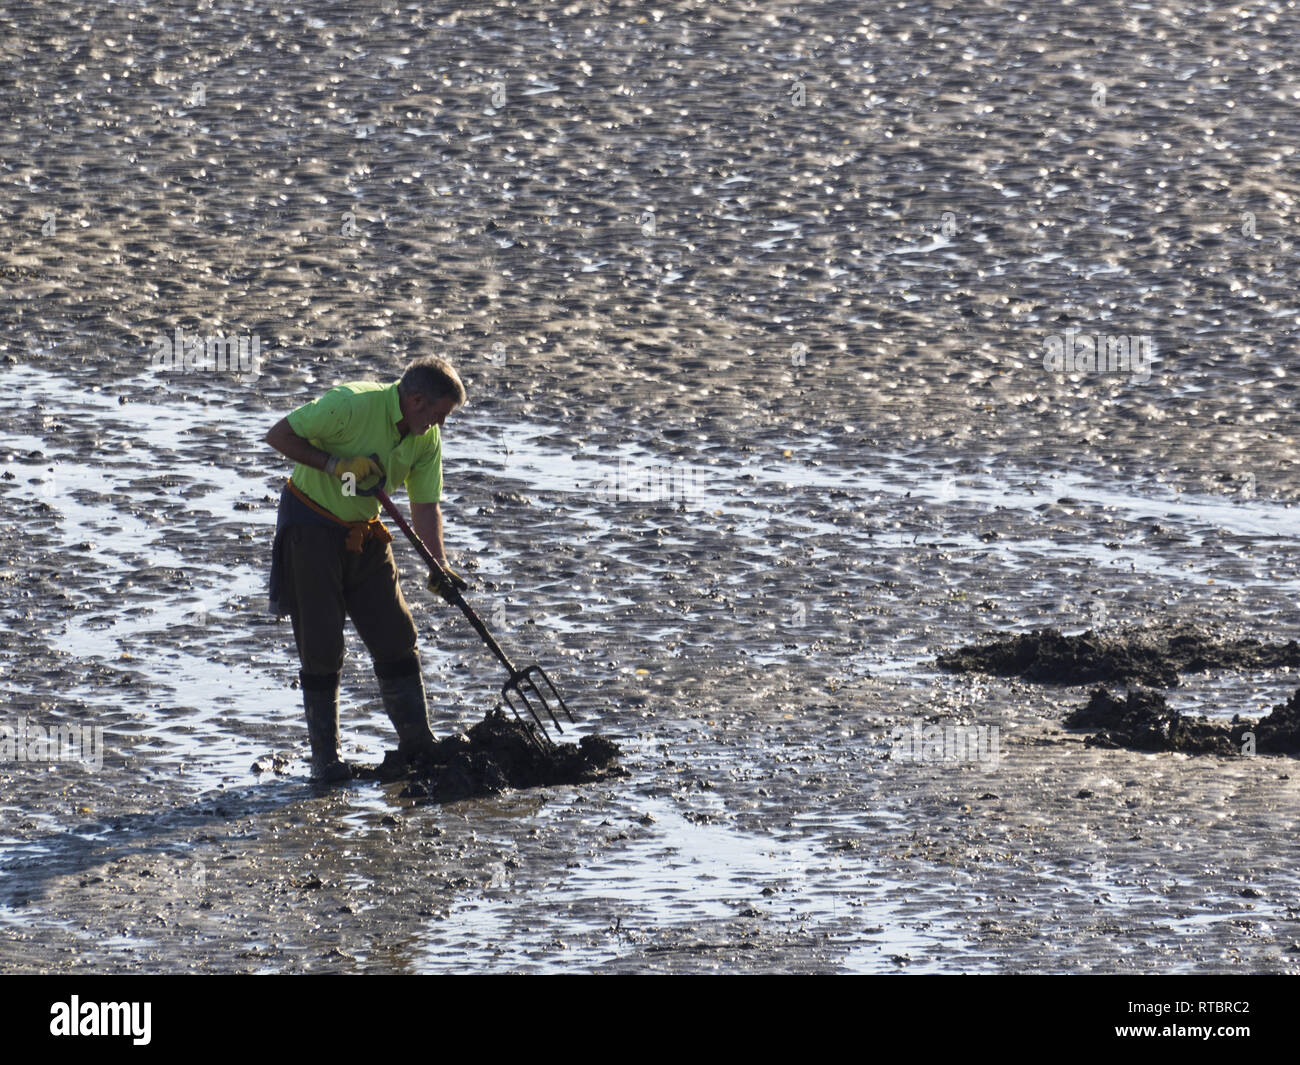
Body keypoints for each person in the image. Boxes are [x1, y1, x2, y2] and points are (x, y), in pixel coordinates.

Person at [265, 356, 467, 782]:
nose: (440, 425)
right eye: (439, 415)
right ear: (415, 400)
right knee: (321, 646)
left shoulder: (424, 438)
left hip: (365, 531)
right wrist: (335, 465)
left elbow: (425, 503)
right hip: (310, 527)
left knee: (397, 634)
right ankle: (326, 760)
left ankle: (417, 742)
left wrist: (438, 565)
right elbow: (279, 435)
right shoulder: (350, 405)